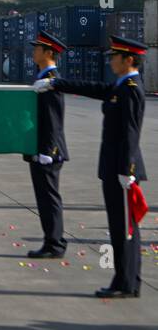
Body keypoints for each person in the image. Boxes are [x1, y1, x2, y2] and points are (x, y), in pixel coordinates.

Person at [34, 35, 146, 298]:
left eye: (114, 57)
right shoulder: (119, 86)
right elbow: (94, 88)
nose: (111, 62)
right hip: (114, 168)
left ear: (128, 60)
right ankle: (124, 280)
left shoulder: (131, 88)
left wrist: (127, 170)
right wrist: (56, 83)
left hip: (122, 171)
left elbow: (132, 132)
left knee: (124, 228)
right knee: (119, 227)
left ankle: (127, 283)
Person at [24, 31, 68, 258]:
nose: (34, 51)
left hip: (48, 151)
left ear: (48, 53)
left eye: (37, 48)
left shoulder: (51, 80)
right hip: (39, 148)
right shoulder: (43, 77)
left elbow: (53, 119)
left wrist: (48, 150)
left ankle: (55, 244)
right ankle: (50, 240)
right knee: (43, 198)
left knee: (49, 198)